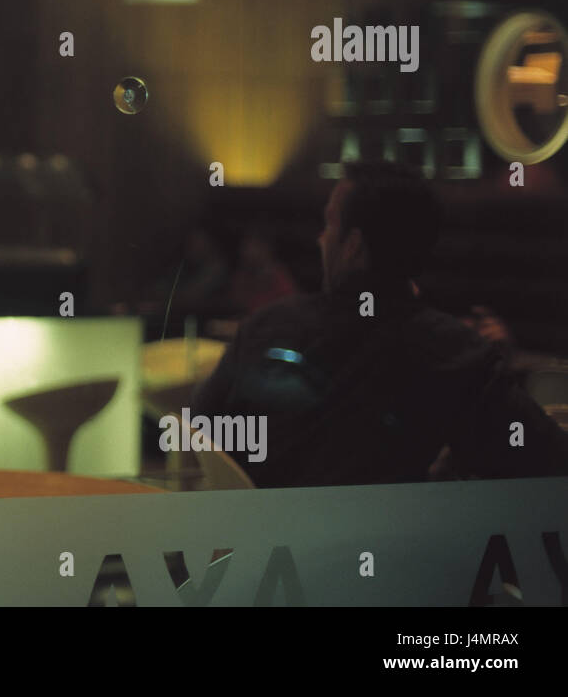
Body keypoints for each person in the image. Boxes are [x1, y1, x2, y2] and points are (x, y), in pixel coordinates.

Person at [190, 160, 568, 487]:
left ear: (353, 246)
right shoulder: (456, 354)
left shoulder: (266, 327)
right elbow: (546, 460)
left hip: (271, 560)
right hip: (402, 564)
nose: (321, 239)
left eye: (329, 224)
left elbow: (204, 430)